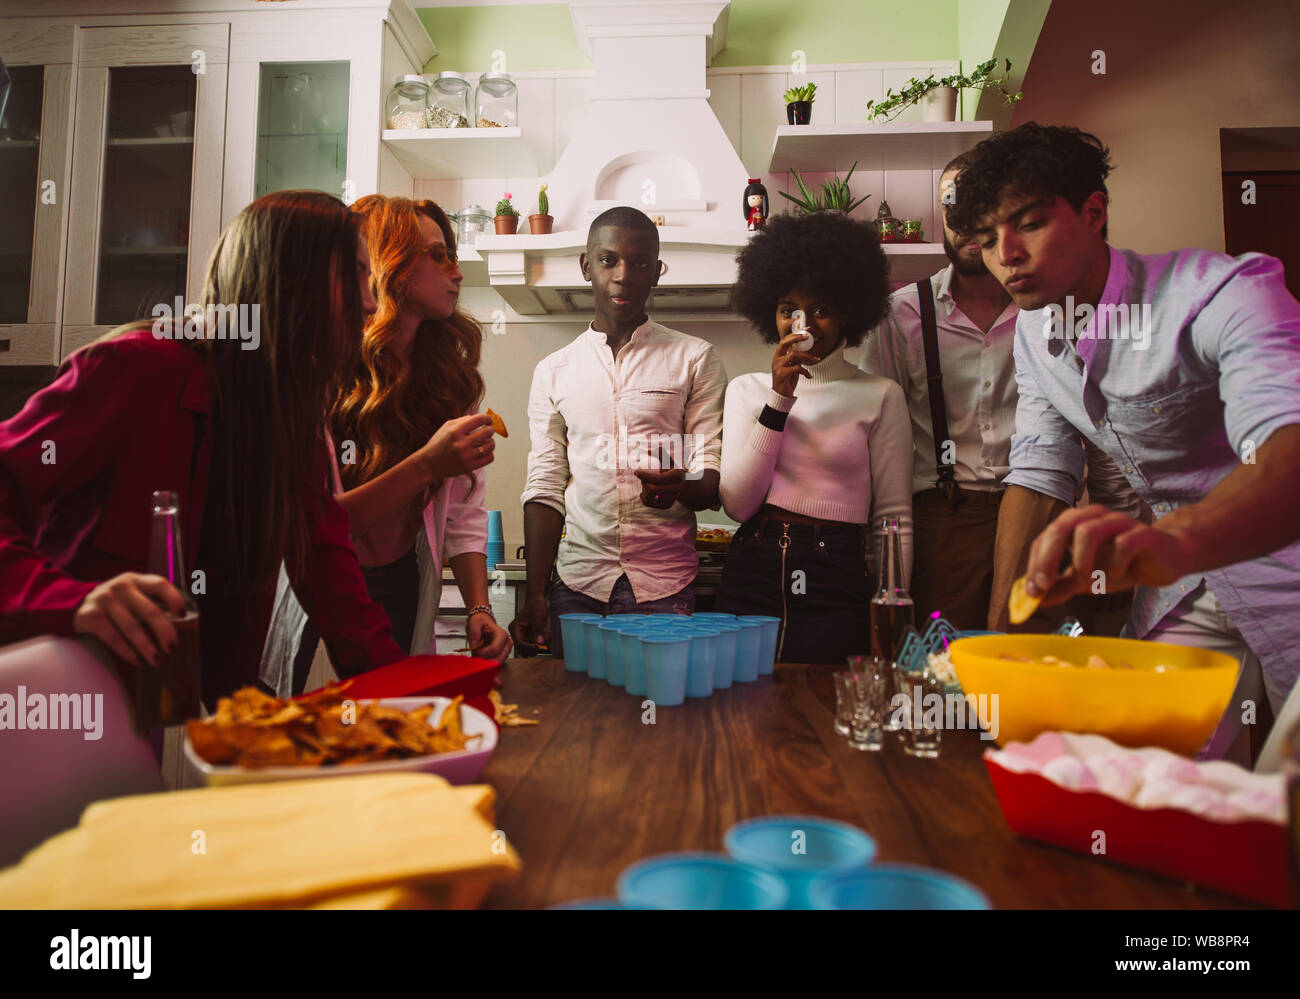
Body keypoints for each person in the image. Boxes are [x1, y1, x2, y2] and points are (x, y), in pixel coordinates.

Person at [947, 122, 1300, 761]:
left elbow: (1287, 453)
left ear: (1093, 212)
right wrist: (1001, 639)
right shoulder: (1031, 333)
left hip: (1284, 571)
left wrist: (1171, 540)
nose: (1006, 256)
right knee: (1146, 782)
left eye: (1027, 223)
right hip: (1184, 589)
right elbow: (1041, 468)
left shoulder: (1221, 294)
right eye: (986, 239)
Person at [0, 190, 407, 709]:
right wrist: (69, 601)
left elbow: (332, 580)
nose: (371, 304)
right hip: (48, 703)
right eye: (353, 276)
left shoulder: (289, 425)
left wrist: (426, 697)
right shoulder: (133, 371)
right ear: (287, 277)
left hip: (168, 716)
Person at [261, 196, 512, 695]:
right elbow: (315, 529)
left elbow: (463, 513)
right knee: (313, 738)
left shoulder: (450, 380)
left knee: (390, 731)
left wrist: (478, 608)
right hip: (323, 589)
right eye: (437, 255)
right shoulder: (319, 376)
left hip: (401, 584)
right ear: (389, 261)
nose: (456, 273)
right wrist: (426, 464)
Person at [509, 207, 726, 654]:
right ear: (587, 267)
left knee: (661, 719)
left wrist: (681, 486)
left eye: (640, 262)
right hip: (575, 585)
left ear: (657, 272)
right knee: (573, 720)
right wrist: (535, 595)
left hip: (665, 587)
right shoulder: (554, 371)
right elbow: (546, 485)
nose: (624, 275)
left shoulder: (696, 358)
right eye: (609, 260)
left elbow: (711, 481)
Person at [716, 210, 912, 663]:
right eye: (790, 310)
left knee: (827, 712)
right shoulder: (747, 390)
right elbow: (738, 505)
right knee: (741, 711)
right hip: (753, 571)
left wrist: (893, 610)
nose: (803, 325)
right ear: (773, 313)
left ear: (849, 314)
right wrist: (780, 400)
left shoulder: (880, 396)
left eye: (821, 309)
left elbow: (894, 519)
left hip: (838, 575)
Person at [860, 153, 1019, 631]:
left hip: (1038, 510)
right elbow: (875, 436)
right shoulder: (901, 314)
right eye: (953, 206)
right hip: (943, 521)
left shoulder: (1048, 310)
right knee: (946, 675)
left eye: (982, 204)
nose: (966, 220)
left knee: (1039, 673)